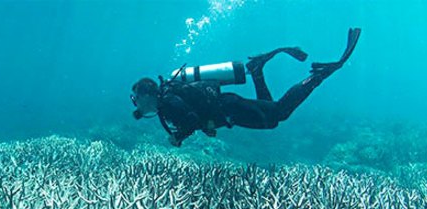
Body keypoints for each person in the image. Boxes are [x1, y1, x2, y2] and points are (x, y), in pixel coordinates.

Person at [131, 28, 361, 147]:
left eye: (136, 99)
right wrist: (206, 126)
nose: (136, 104)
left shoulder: (168, 103)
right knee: (271, 113)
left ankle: (318, 77)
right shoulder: (168, 100)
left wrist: (178, 138)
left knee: (277, 115)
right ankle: (257, 70)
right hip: (227, 108)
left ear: (146, 95)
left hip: (230, 108)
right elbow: (197, 115)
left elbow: (190, 119)